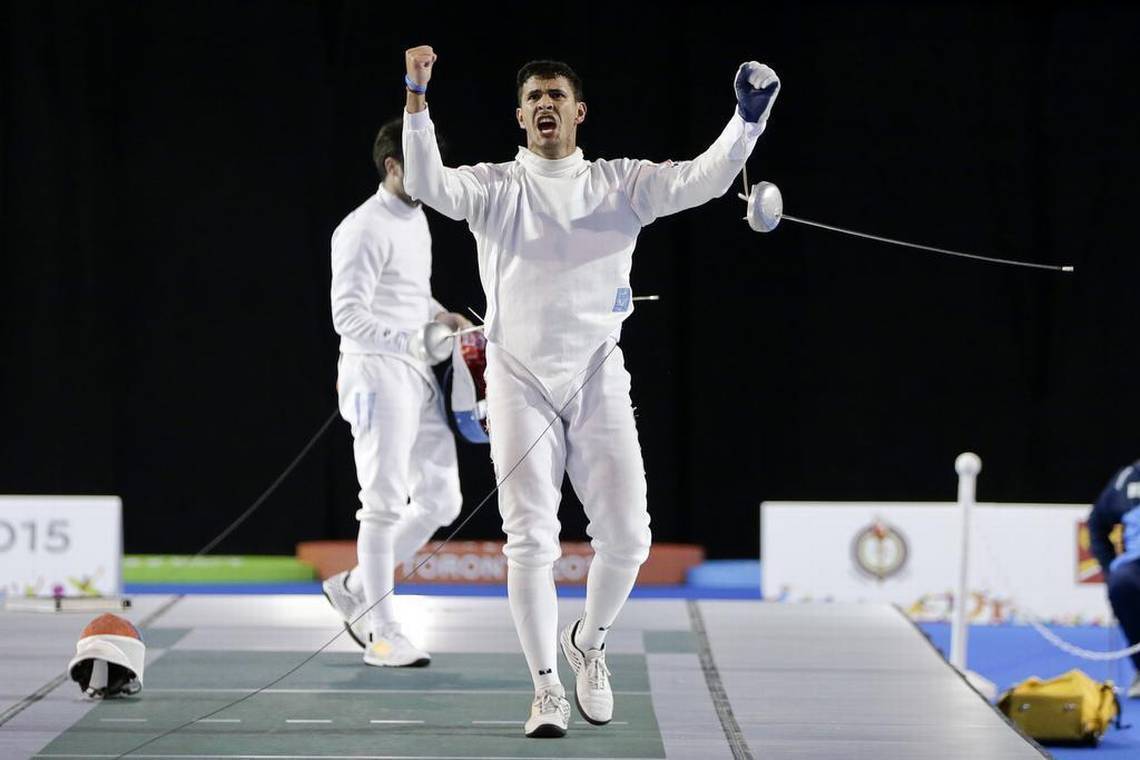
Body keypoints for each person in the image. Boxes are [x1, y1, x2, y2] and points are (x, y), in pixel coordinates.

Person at [400, 46, 779, 736]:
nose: (545, 105)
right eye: (534, 97)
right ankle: (545, 686)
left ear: (578, 111)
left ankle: (590, 644)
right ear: (521, 116)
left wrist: (746, 124)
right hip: (518, 377)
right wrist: (416, 99)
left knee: (630, 538)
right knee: (530, 541)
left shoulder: (619, 183)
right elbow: (429, 185)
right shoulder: (494, 187)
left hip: (598, 371)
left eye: (556, 96)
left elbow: (702, 180)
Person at [323, 117, 470, 668]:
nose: (432, 177)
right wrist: (411, 336)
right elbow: (348, 316)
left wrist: (440, 315)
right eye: (420, 166)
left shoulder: (417, 219)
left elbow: (409, 293)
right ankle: (382, 631)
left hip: (413, 371)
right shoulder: (360, 228)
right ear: (393, 166)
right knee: (383, 505)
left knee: (440, 499)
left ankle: (356, 586)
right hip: (376, 372)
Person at [1087, 459, 1140, 697]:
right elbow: (1096, 524)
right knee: (1121, 583)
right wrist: (1110, 569)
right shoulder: (1128, 477)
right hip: (1136, 563)